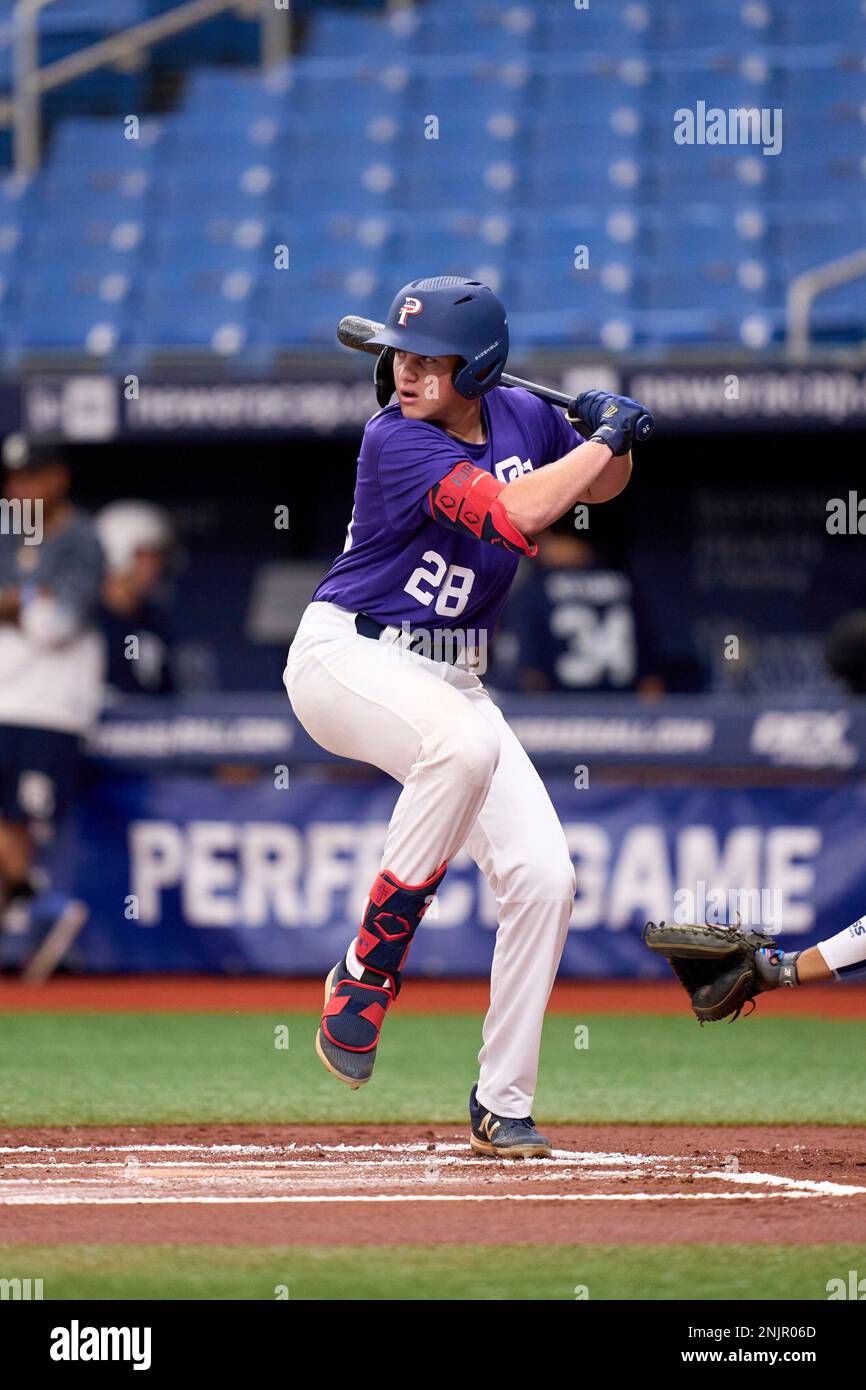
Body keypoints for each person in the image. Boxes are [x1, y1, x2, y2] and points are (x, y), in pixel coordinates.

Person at [283, 276, 652, 1159]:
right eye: (399, 357)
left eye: (427, 361)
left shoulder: (524, 417)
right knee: (461, 741)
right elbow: (522, 512)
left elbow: (607, 488)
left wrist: (618, 438)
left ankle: (502, 1102)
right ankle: (369, 968)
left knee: (544, 877)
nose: (404, 374)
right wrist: (599, 439)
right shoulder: (394, 442)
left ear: (477, 365)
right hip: (349, 658)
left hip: (455, 676)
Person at [0, 436, 103, 915]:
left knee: (33, 819)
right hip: (7, 697)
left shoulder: (81, 539)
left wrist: (17, 603)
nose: (22, 491)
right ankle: (34, 906)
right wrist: (29, 599)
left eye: (32, 478)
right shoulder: (8, 529)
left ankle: (41, 908)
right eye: (16, 480)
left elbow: (56, 625)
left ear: (58, 478)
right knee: (11, 822)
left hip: (50, 707)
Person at [492, 522, 664, 695]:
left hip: (562, 710)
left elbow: (531, 674)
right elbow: (651, 677)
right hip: (625, 711)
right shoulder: (626, 582)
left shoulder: (534, 589)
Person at [95, 500, 176, 696]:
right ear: (115, 552)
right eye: (145, 556)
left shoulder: (153, 621)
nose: (156, 566)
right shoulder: (85, 623)